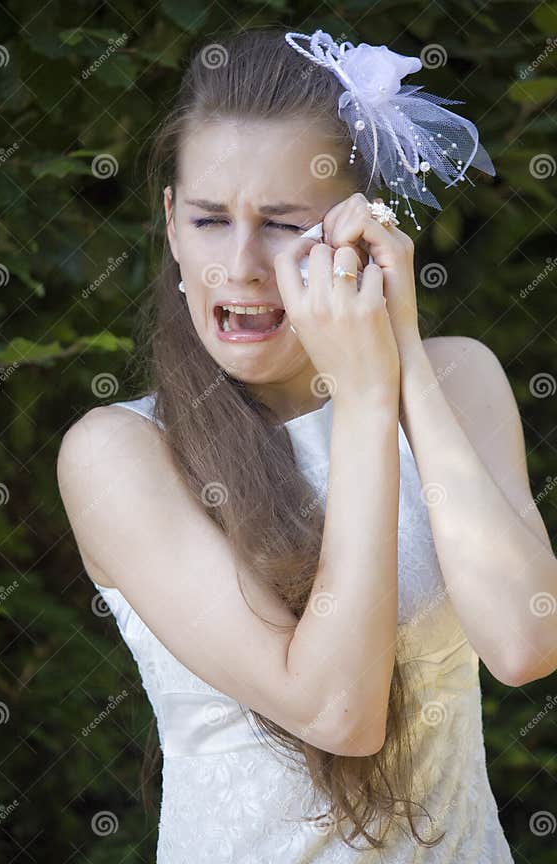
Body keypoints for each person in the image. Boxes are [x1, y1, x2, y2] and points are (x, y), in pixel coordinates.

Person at [56, 24, 548, 862]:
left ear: (362, 231)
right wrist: (364, 402)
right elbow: (336, 711)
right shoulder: (119, 453)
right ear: (171, 224)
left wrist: (400, 360)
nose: (241, 264)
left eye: (284, 224)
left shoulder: (458, 378)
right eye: (210, 219)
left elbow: (526, 642)